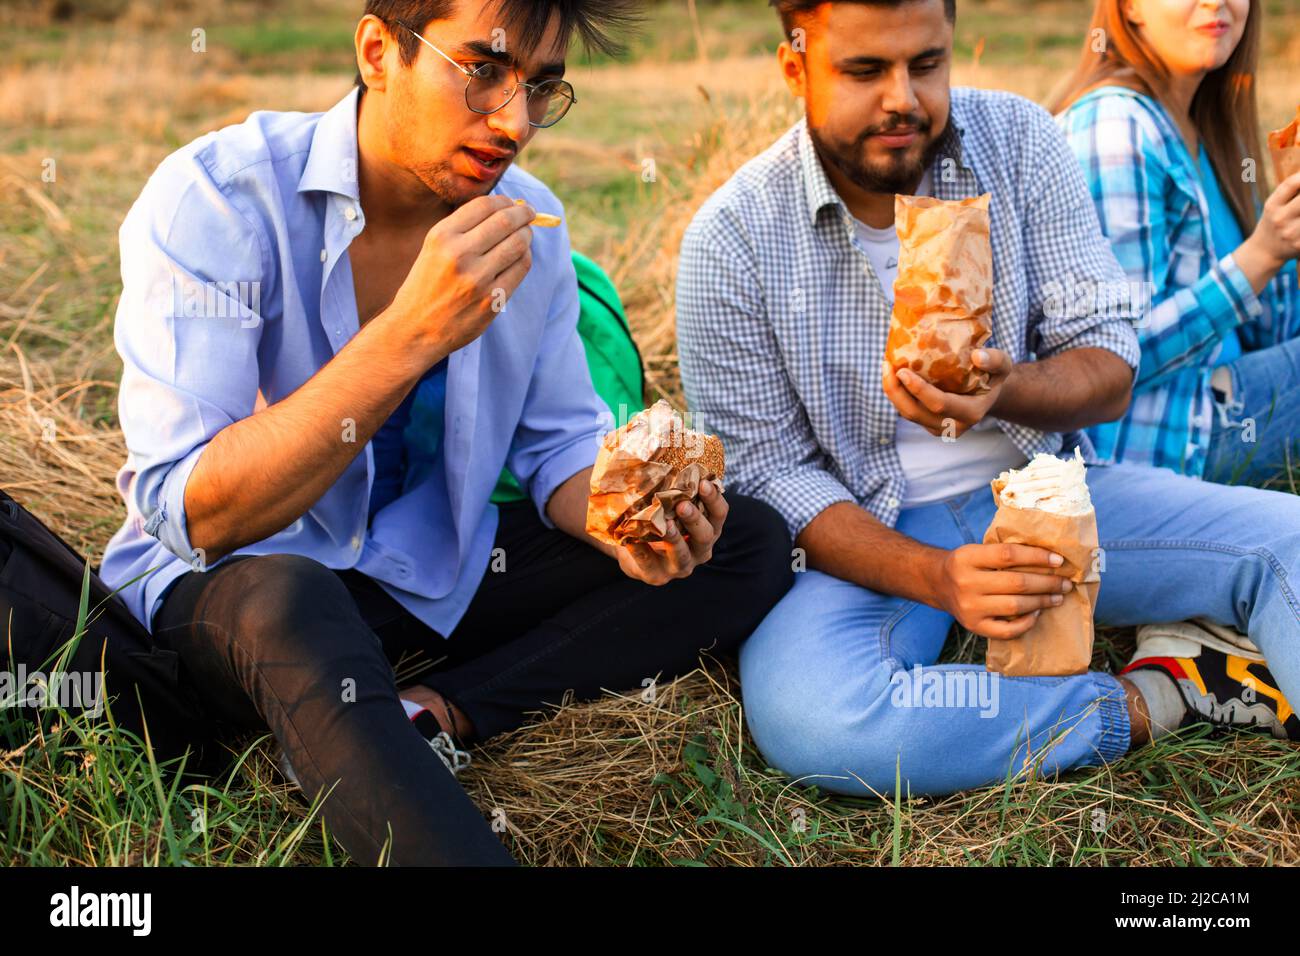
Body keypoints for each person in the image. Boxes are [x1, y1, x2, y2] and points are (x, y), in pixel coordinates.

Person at [100, 0, 792, 866]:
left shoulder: (528, 223)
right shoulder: (217, 199)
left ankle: (429, 713)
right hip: (239, 601)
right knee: (296, 599)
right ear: (378, 50)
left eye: (542, 87)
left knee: (751, 541)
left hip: (426, 582)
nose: (515, 120)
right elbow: (194, 510)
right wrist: (409, 335)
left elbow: (556, 453)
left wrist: (631, 515)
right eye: (485, 71)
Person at [675, 0, 1299, 801]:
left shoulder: (1019, 141)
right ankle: (1164, 693)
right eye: (865, 71)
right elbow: (767, 472)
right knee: (815, 718)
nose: (904, 98)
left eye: (927, 64)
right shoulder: (732, 237)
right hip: (867, 530)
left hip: (1053, 494)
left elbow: (1110, 355)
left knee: (1285, 538)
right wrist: (939, 578)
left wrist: (1010, 388)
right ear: (795, 66)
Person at [1051, 0, 1300, 484]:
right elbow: (1108, 359)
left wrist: (1285, 249)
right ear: (1130, 9)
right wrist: (1261, 256)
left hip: (1226, 403)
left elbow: (1273, 335)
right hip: (1161, 444)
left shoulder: (1214, 136)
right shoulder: (1116, 126)